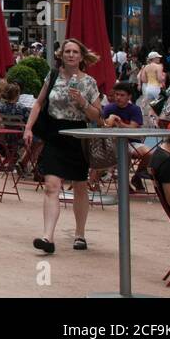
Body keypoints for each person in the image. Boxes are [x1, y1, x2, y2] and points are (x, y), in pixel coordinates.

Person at [25, 38, 104, 254]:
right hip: (54, 134)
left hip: (77, 135)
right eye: (67, 51)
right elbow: (39, 102)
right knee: (51, 185)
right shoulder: (52, 76)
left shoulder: (88, 82)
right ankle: (47, 237)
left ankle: (80, 233)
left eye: (74, 52)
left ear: (81, 56)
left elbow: (97, 117)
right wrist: (28, 128)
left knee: (80, 185)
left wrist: (83, 102)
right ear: (61, 55)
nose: (70, 55)